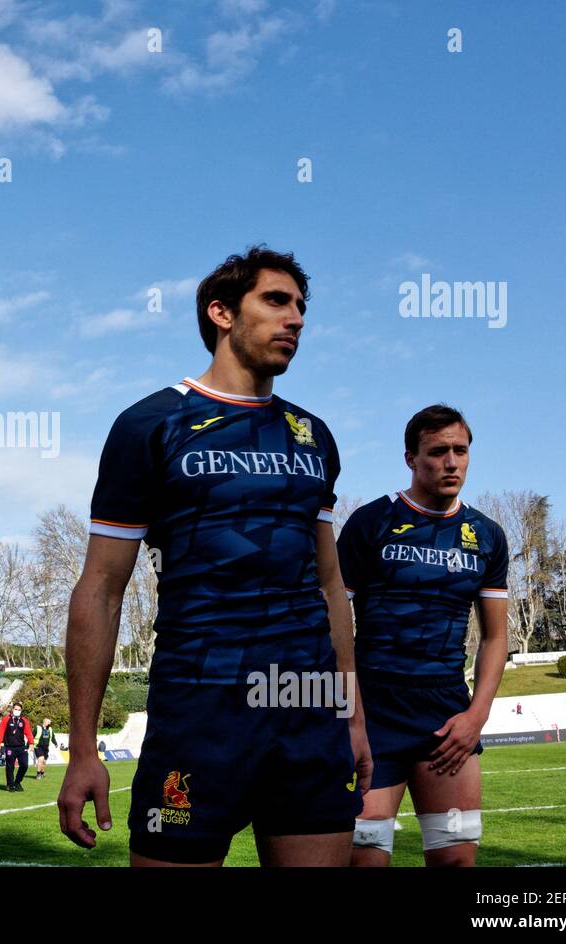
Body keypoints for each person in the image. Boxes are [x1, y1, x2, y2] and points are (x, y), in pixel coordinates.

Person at [59, 248, 370, 866]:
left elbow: (332, 587)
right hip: (200, 703)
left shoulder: (313, 435)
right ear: (221, 312)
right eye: (277, 301)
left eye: (302, 307)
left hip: (306, 704)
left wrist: (352, 714)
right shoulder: (150, 424)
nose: (296, 319)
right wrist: (83, 749)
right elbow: (100, 587)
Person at [338, 406, 509, 868]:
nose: (451, 462)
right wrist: (350, 713)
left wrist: (477, 714)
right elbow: (333, 621)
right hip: (374, 714)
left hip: (445, 717)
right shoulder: (371, 522)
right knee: (365, 857)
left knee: (455, 860)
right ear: (411, 458)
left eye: (460, 450)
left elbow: (496, 638)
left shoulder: (487, 536)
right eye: (437, 452)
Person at [0, 704, 33, 791]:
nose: (17, 710)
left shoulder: (24, 721)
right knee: (10, 767)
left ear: (21, 711)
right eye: (16, 709)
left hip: (21, 747)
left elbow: (28, 732)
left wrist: (31, 743)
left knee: (24, 765)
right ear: (12, 709)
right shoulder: (6, 719)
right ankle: (10, 784)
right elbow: (1, 732)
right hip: (9, 747)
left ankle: (17, 782)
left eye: (19, 709)